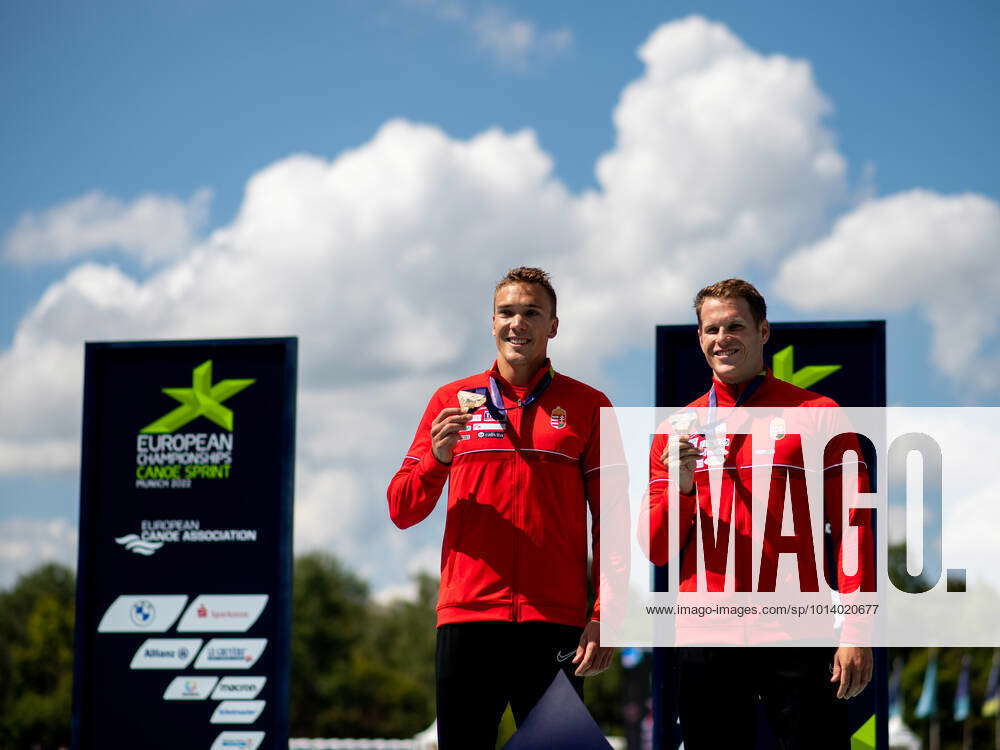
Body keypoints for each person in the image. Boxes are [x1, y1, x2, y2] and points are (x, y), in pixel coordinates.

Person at [387, 267, 626, 750]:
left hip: (554, 621)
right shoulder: (450, 401)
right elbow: (402, 508)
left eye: (532, 313)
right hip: (468, 618)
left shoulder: (590, 405)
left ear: (553, 325)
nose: (518, 323)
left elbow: (615, 522)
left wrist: (607, 614)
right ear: (491, 323)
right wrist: (436, 459)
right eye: (507, 312)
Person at [645, 278, 874, 750]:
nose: (721, 338)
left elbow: (853, 528)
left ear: (763, 332)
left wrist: (858, 629)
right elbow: (656, 548)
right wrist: (681, 489)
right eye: (711, 329)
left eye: (735, 326)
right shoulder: (675, 430)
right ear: (699, 339)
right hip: (706, 636)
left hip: (796, 629)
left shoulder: (819, 412)